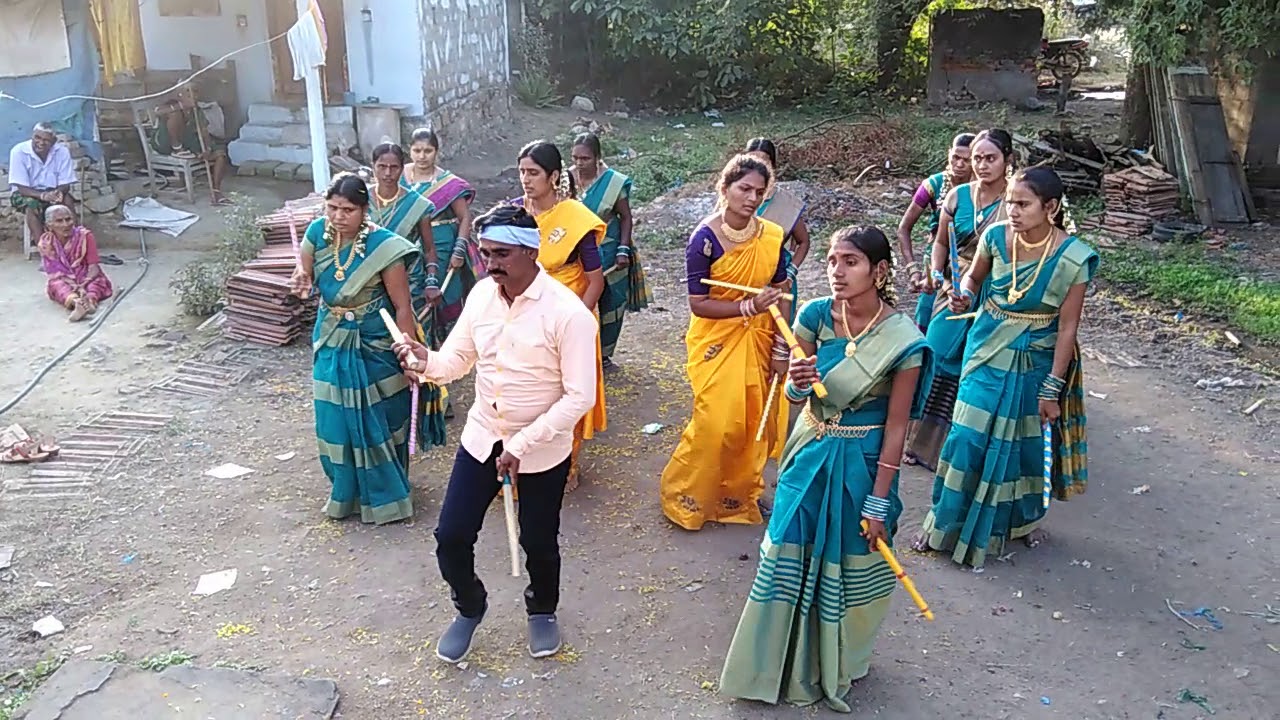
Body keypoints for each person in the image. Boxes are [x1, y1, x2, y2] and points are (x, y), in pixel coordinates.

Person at [720, 227, 932, 712]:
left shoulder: (903, 341)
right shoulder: (815, 315)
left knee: (849, 557)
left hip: (863, 464)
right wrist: (796, 383)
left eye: (851, 261)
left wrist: (878, 499)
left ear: (880, 271)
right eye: (833, 260)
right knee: (785, 545)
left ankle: (835, 663)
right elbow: (795, 394)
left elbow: (897, 427)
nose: (837, 271)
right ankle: (770, 664)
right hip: (810, 452)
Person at [392, 203, 599, 664]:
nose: (490, 264)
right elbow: (455, 362)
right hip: (483, 436)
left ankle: (542, 609)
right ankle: (470, 606)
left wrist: (520, 446)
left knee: (538, 541)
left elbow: (580, 396)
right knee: (451, 535)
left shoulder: (569, 314)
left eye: (502, 254)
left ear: (531, 252)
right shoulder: (482, 295)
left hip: (542, 450)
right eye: (485, 253)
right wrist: (424, 361)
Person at [914, 168, 1097, 568]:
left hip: (1036, 359)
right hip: (985, 350)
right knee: (964, 437)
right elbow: (973, 280)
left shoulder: (1074, 259)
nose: (1012, 210)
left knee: (1021, 444)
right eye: (1010, 202)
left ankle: (1018, 523)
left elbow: (1068, 328)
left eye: (1022, 204)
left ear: (1050, 207)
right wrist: (963, 295)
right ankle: (942, 521)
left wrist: (1052, 388)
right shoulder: (996, 237)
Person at [659, 154, 792, 531]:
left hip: (760, 339)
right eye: (744, 188)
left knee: (752, 423)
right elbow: (698, 303)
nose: (751, 198)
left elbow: (782, 291)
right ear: (725, 187)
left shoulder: (771, 236)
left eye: (759, 192)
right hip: (717, 341)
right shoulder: (704, 239)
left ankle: (736, 495)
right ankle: (688, 496)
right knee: (716, 423)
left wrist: (782, 347)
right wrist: (748, 306)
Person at [287, 172, 426, 525]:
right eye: (332, 208)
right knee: (333, 417)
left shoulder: (385, 248)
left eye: (347, 210)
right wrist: (300, 277)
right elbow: (304, 271)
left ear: (365, 210)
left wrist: (408, 354)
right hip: (331, 338)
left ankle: (385, 494)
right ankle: (346, 492)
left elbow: (403, 307)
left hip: (375, 342)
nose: (338, 216)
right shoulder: (317, 233)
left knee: (382, 414)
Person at [903, 128, 1014, 471]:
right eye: (978, 158)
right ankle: (919, 444)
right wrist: (938, 276)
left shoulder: (1017, 202)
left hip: (996, 292)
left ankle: (960, 451)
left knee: (976, 367)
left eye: (990, 158)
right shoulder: (957, 196)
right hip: (952, 290)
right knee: (936, 356)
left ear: (1008, 160)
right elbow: (940, 243)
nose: (982, 165)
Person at [513, 140, 607, 490]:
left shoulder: (575, 219)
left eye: (533, 173)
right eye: (522, 172)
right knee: (526, 392)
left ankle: (566, 464)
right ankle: (522, 462)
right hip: (522, 316)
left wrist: (576, 325)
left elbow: (595, 280)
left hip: (567, 316)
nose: (526, 179)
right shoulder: (514, 216)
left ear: (554, 177)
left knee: (564, 393)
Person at [367, 142, 449, 445]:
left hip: (409, 288)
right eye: (382, 167)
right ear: (373, 167)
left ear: (403, 169)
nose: (388, 173)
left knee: (411, 346)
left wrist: (431, 281)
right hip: (368, 288)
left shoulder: (416, 205)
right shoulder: (362, 200)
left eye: (394, 167)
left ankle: (425, 401)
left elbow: (429, 249)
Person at [570, 132, 652, 365]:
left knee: (611, 300)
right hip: (576, 249)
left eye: (585, 158)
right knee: (578, 298)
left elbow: (625, 217)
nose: (579, 163)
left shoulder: (613, 183)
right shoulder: (566, 179)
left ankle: (603, 354)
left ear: (597, 158)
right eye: (575, 158)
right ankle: (579, 352)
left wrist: (623, 249)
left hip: (608, 248)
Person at [401, 128, 481, 348]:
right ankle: (419, 345)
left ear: (436, 152)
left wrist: (459, 250)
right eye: (417, 150)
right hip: (408, 246)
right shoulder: (401, 176)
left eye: (428, 151)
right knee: (411, 294)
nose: (422, 156)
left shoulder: (448, 184)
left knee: (445, 295)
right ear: (410, 150)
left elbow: (465, 217)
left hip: (442, 246)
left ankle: (450, 349)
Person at [896, 132, 975, 329]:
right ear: (949, 153)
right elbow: (904, 228)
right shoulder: (934, 185)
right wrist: (913, 270)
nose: (959, 164)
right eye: (955, 157)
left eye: (966, 160)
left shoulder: (982, 190)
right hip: (936, 264)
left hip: (970, 265)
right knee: (926, 317)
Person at [744, 138, 810, 322]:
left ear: (773, 166)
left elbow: (803, 241)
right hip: (741, 277)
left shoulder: (786, 203)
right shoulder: (734, 198)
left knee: (778, 330)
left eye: (764, 161)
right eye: (752, 160)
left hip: (777, 279)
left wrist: (791, 272)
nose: (757, 166)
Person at [153, 87, 231, 203]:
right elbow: (157, 112)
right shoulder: (172, 105)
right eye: (187, 91)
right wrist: (182, 106)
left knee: (220, 153)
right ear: (180, 94)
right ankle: (177, 148)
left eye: (195, 91)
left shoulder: (196, 110)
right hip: (166, 143)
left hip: (189, 143)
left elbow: (204, 131)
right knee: (175, 114)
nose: (193, 94)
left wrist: (207, 148)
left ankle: (216, 191)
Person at [38, 204, 113, 322]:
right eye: (59, 221)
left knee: (97, 282)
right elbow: (54, 273)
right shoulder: (46, 243)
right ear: (49, 225)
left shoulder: (85, 236)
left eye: (68, 219)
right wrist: (74, 285)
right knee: (56, 285)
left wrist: (83, 284)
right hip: (64, 279)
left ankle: (90, 301)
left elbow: (93, 266)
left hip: (86, 276)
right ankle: (76, 303)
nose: (66, 224)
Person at [8, 122, 77, 239]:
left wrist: (57, 193)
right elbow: (22, 188)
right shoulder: (19, 151)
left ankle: (75, 241)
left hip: (52, 191)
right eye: (37, 137)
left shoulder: (62, 152)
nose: (40, 143)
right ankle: (43, 244)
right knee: (32, 205)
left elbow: (65, 183)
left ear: (54, 141)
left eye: (46, 140)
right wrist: (43, 196)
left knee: (67, 201)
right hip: (25, 193)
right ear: (32, 136)